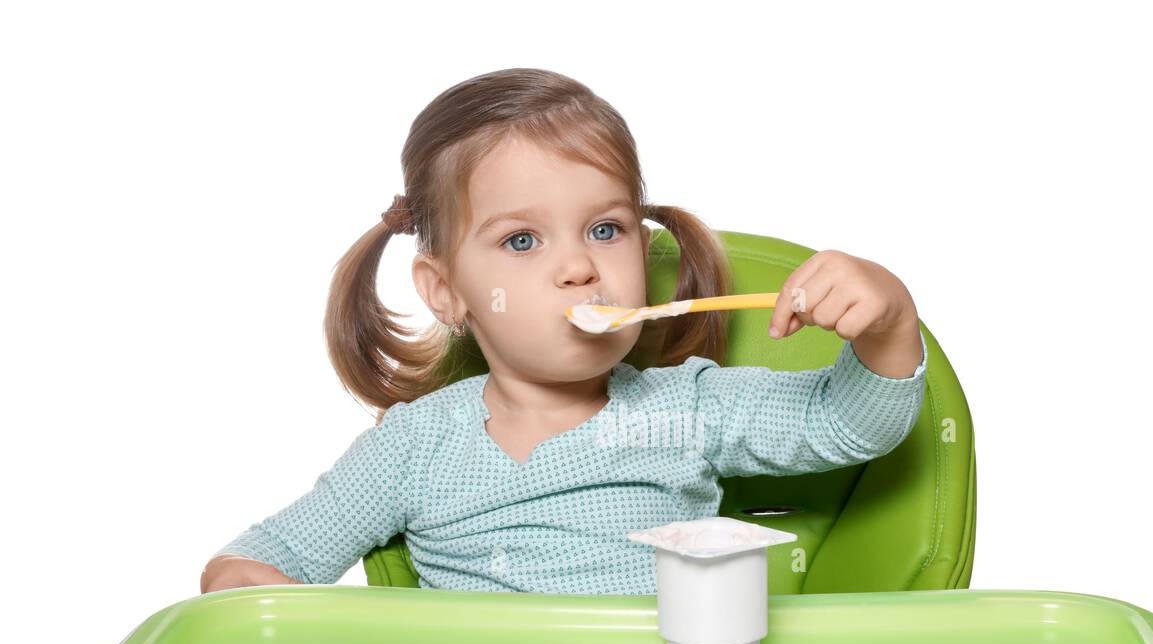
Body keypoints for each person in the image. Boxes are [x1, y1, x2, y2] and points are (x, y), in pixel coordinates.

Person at [201, 67, 927, 596]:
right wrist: (241, 584)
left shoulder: (688, 409)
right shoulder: (413, 448)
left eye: (605, 229)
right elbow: (269, 557)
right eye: (522, 241)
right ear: (448, 293)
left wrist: (888, 321)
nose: (580, 267)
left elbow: (847, 424)